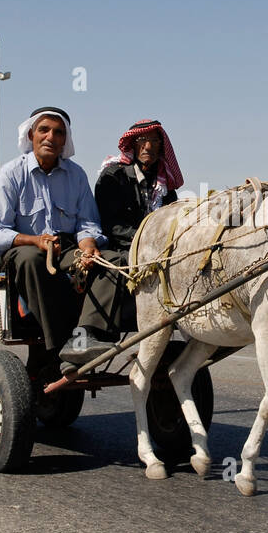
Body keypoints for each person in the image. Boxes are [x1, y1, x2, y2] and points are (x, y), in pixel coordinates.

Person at [0, 106, 114, 357]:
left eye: (58, 132)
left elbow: (87, 222)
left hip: (66, 246)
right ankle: (60, 345)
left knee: (112, 261)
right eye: (44, 130)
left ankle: (89, 333)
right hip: (21, 249)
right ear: (31, 135)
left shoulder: (76, 175)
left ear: (65, 140)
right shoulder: (10, 174)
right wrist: (34, 241)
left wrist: (88, 245)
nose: (51, 137)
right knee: (32, 260)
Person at [59, 119, 185, 365]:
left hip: (157, 250)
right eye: (142, 141)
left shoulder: (165, 184)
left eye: (154, 142)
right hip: (123, 247)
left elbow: (173, 220)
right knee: (121, 263)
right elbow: (111, 225)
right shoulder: (113, 175)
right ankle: (87, 335)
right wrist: (146, 243)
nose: (147, 146)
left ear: (162, 147)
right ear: (132, 143)